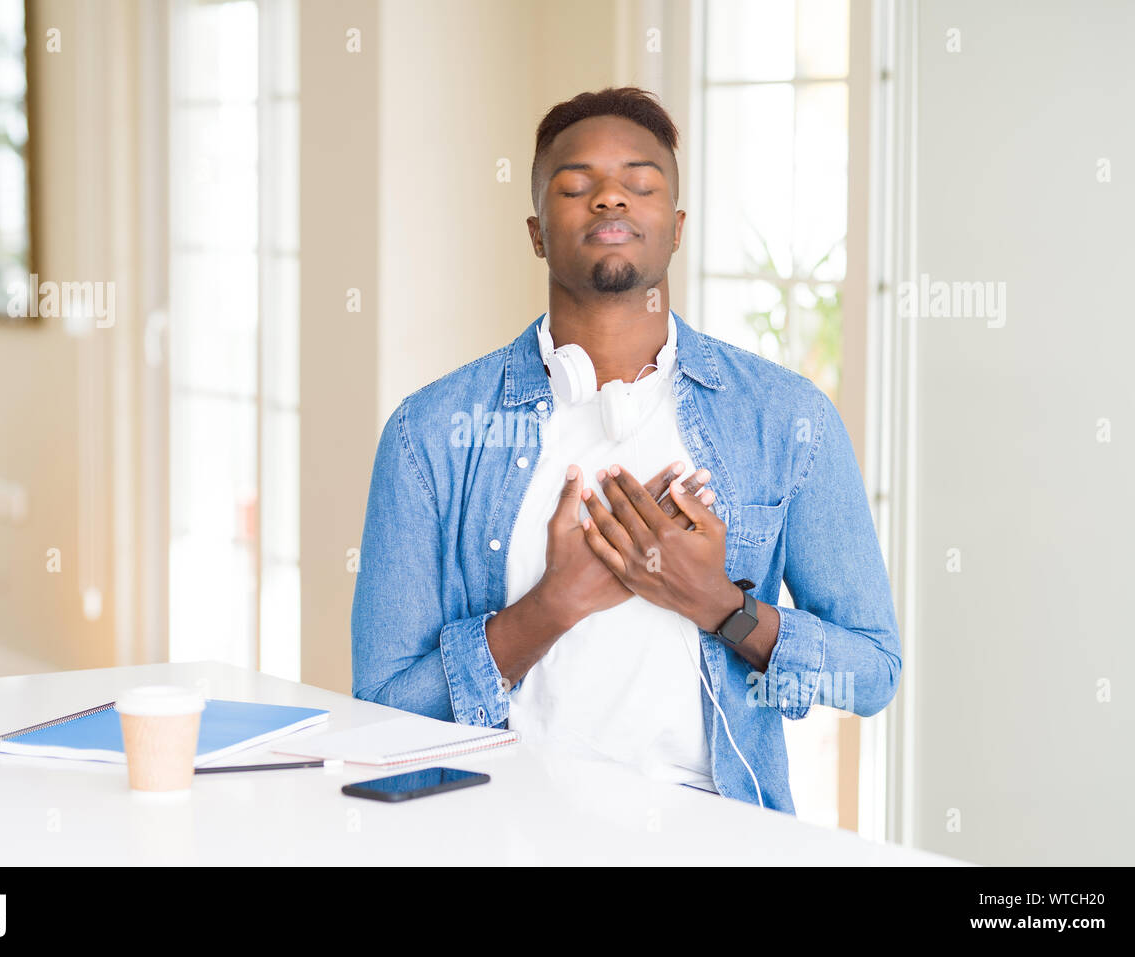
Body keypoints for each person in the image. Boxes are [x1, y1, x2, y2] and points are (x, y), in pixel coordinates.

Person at [351, 87, 901, 813]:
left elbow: (870, 673)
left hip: (714, 833)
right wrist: (550, 607)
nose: (610, 198)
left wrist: (721, 605)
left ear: (675, 229)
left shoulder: (788, 418)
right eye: (577, 186)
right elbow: (382, 711)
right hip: (495, 831)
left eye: (639, 183)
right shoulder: (429, 434)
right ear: (537, 232)